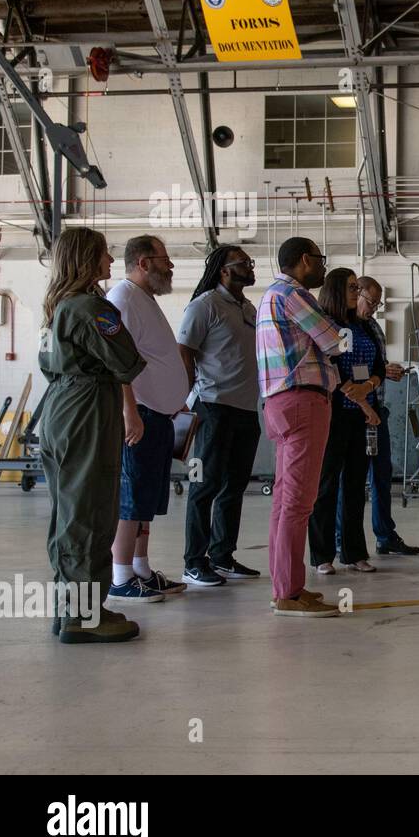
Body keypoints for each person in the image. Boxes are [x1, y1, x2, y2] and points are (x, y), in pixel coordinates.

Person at [40, 227, 147, 642]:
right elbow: (128, 360)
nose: (109, 260)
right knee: (90, 512)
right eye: (104, 254)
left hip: (59, 407)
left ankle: (69, 608)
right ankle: (84, 617)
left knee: (68, 513)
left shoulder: (57, 305)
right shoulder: (90, 308)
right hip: (87, 410)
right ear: (87, 259)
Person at [257, 237, 361, 617]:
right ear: (305, 260)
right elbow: (336, 342)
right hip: (302, 401)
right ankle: (287, 593)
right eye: (320, 259)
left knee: (286, 501)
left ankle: (289, 586)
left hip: (283, 401)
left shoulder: (272, 295)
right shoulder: (293, 293)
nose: (322, 266)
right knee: (299, 502)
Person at [105, 235, 192, 604]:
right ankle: (120, 576)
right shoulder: (122, 299)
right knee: (131, 497)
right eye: (165, 258)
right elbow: (116, 364)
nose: (170, 265)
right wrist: (129, 413)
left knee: (146, 501)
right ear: (143, 262)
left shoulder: (144, 299)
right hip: (139, 415)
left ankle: (140, 569)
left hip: (159, 416)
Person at [177, 245, 262, 588]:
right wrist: (182, 399)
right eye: (244, 263)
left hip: (245, 408)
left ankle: (222, 557)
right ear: (225, 270)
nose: (250, 267)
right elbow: (184, 352)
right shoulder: (204, 306)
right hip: (212, 406)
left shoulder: (249, 308)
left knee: (234, 487)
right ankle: (194, 562)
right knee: (205, 485)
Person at [309, 268, 382, 574]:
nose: (357, 291)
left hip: (362, 415)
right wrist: (362, 400)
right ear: (337, 290)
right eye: (353, 287)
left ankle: (354, 552)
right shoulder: (326, 325)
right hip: (334, 412)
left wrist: (369, 386)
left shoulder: (364, 326)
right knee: (325, 486)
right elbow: (331, 368)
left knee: (354, 485)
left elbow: (377, 364)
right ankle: (322, 555)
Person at [354, 276, 419, 556]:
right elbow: (350, 370)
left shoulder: (373, 328)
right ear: (356, 293)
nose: (374, 308)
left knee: (382, 473)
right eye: (371, 302)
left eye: (378, 303)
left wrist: (386, 371)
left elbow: (373, 367)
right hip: (354, 412)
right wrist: (375, 375)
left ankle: (385, 535)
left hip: (377, 411)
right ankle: (344, 539)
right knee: (352, 481)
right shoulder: (346, 328)